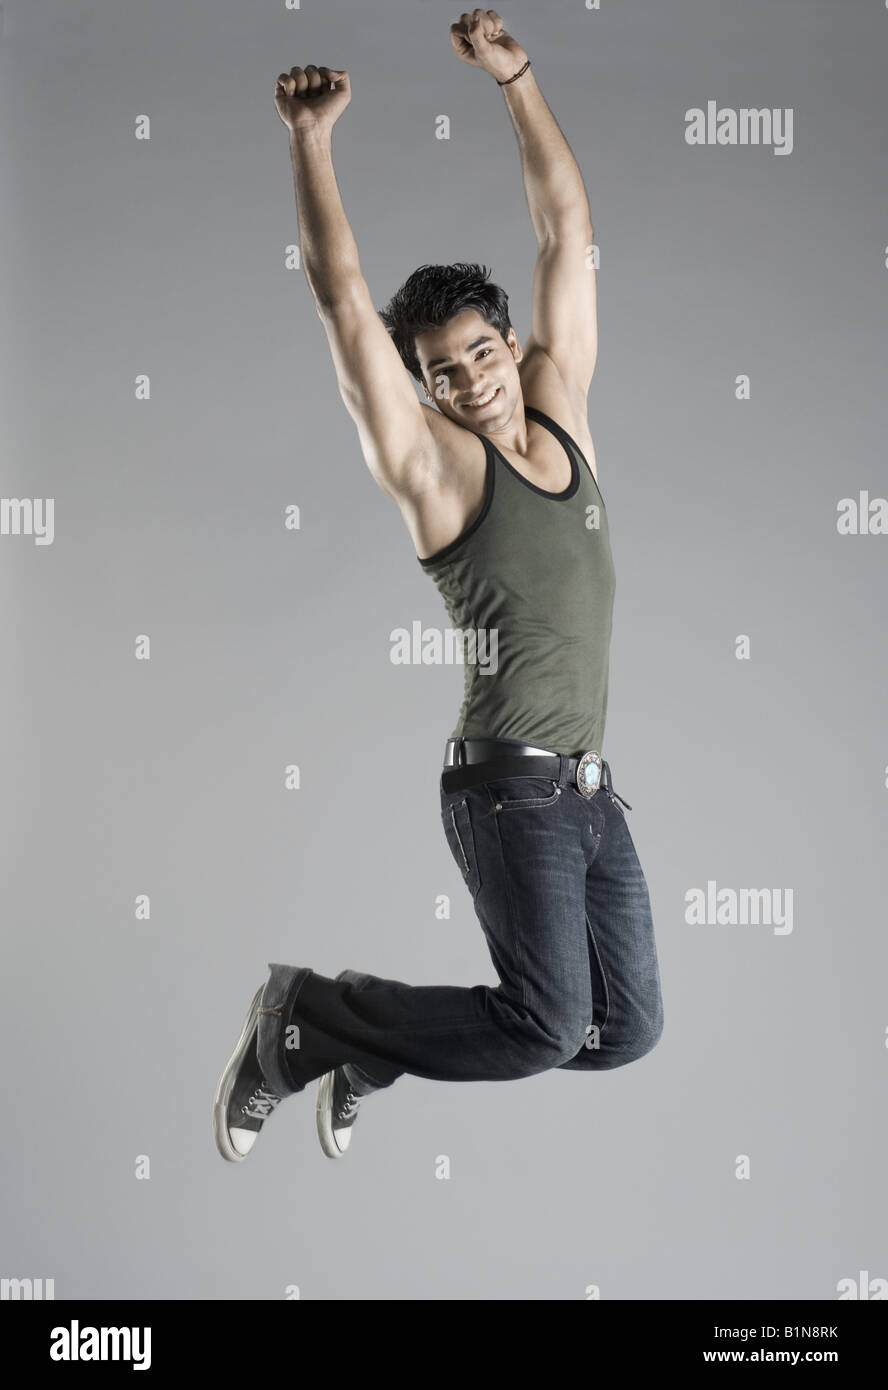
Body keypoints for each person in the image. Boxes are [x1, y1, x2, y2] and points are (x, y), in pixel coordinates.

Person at [213, 9, 664, 1164]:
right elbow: (338, 298)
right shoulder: (439, 472)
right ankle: (305, 1012)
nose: (469, 382)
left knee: (622, 1032)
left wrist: (515, 76)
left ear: (508, 342)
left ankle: (371, 1039)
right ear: (427, 388)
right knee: (544, 1022)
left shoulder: (562, 400)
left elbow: (567, 232)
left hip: (591, 796)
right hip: (507, 790)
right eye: (440, 373)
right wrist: (311, 141)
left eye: (478, 354)